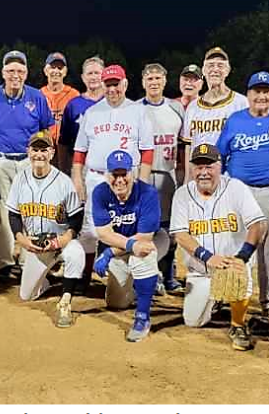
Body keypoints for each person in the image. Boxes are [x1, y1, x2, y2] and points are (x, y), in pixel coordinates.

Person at [215, 71, 269, 324]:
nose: (261, 96)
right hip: (238, 191)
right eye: (257, 91)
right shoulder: (235, 120)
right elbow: (220, 156)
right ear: (248, 94)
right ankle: (226, 296)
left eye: (267, 91)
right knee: (233, 245)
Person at [170, 144, 268, 351]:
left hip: (232, 266)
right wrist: (207, 257)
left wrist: (243, 256)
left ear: (220, 166)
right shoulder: (182, 194)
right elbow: (180, 235)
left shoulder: (236, 188)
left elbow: (258, 224)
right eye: (198, 167)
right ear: (192, 169)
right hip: (200, 271)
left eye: (209, 166)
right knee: (193, 321)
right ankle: (215, 300)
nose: (204, 172)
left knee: (238, 272)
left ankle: (238, 324)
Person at [72, 64, 154, 289]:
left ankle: (132, 277)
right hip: (97, 177)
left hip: (128, 178)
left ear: (125, 84)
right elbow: (80, 150)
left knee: (128, 226)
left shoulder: (138, 111)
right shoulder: (92, 112)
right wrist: (77, 178)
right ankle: (84, 276)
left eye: (116, 84)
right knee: (89, 229)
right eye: (108, 84)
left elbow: (147, 149)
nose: (112, 89)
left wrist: (143, 182)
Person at [0, 50, 54, 281]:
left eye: (20, 71)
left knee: (31, 210)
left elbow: (46, 130)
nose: (15, 75)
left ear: (26, 73)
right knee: (4, 211)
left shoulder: (36, 97)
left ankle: (29, 259)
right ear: (3, 72)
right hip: (1, 160)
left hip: (29, 161)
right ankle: (6, 263)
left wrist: (43, 158)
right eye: (10, 70)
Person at [7, 131, 85, 328]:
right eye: (35, 149)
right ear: (28, 152)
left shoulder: (63, 182)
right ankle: (48, 279)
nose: (39, 154)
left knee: (76, 252)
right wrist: (21, 239)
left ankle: (66, 300)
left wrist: (64, 239)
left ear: (52, 153)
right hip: (35, 244)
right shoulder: (20, 179)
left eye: (44, 150)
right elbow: (14, 214)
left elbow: (76, 217)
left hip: (59, 242)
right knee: (27, 295)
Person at [91, 150, 169, 342]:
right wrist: (124, 245)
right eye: (114, 174)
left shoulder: (147, 193)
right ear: (106, 174)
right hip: (124, 248)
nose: (119, 180)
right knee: (116, 303)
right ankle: (148, 281)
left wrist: (109, 251)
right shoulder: (100, 193)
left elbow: (144, 238)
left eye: (123, 174)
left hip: (154, 240)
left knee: (142, 255)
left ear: (132, 173)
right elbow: (104, 233)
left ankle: (142, 318)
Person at [138, 63, 183, 293]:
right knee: (146, 227)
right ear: (143, 82)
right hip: (143, 176)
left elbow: (184, 147)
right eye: (149, 78)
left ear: (165, 81)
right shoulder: (135, 109)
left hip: (168, 176)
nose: (154, 82)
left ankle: (168, 274)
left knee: (169, 229)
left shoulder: (176, 108)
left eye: (158, 78)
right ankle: (150, 274)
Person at [180, 47, 248, 176]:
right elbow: (189, 147)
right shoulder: (193, 107)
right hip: (200, 177)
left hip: (230, 177)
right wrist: (188, 181)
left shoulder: (241, 103)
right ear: (204, 71)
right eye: (210, 65)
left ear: (227, 71)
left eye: (220, 65)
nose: (215, 69)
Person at [57, 56, 105, 174]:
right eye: (89, 73)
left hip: (108, 166)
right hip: (80, 166)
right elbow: (63, 142)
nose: (93, 77)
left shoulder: (112, 102)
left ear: (103, 76)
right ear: (83, 78)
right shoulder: (73, 105)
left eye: (97, 73)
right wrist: (63, 170)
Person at [172, 64, 204, 185]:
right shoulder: (171, 106)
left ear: (201, 84)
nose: (188, 83)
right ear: (180, 81)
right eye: (186, 79)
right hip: (173, 166)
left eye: (194, 80)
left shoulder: (207, 107)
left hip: (198, 164)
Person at [40, 52, 80, 147]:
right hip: (45, 148)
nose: (56, 71)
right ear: (45, 71)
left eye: (60, 68)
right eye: (52, 67)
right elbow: (34, 128)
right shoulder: (38, 95)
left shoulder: (74, 95)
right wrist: (42, 137)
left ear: (65, 72)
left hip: (68, 147)